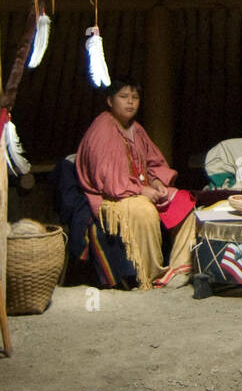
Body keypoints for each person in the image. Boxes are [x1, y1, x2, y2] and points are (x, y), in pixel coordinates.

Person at [75, 77, 196, 288]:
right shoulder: (102, 129)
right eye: (123, 97)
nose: (130, 102)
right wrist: (141, 190)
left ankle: (178, 269)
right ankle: (150, 275)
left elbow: (153, 162)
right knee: (144, 211)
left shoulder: (136, 129)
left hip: (140, 189)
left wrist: (157, 183)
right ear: (110, 101)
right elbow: (108, 181)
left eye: (135, 98)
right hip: (111, 198)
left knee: (184, 202)